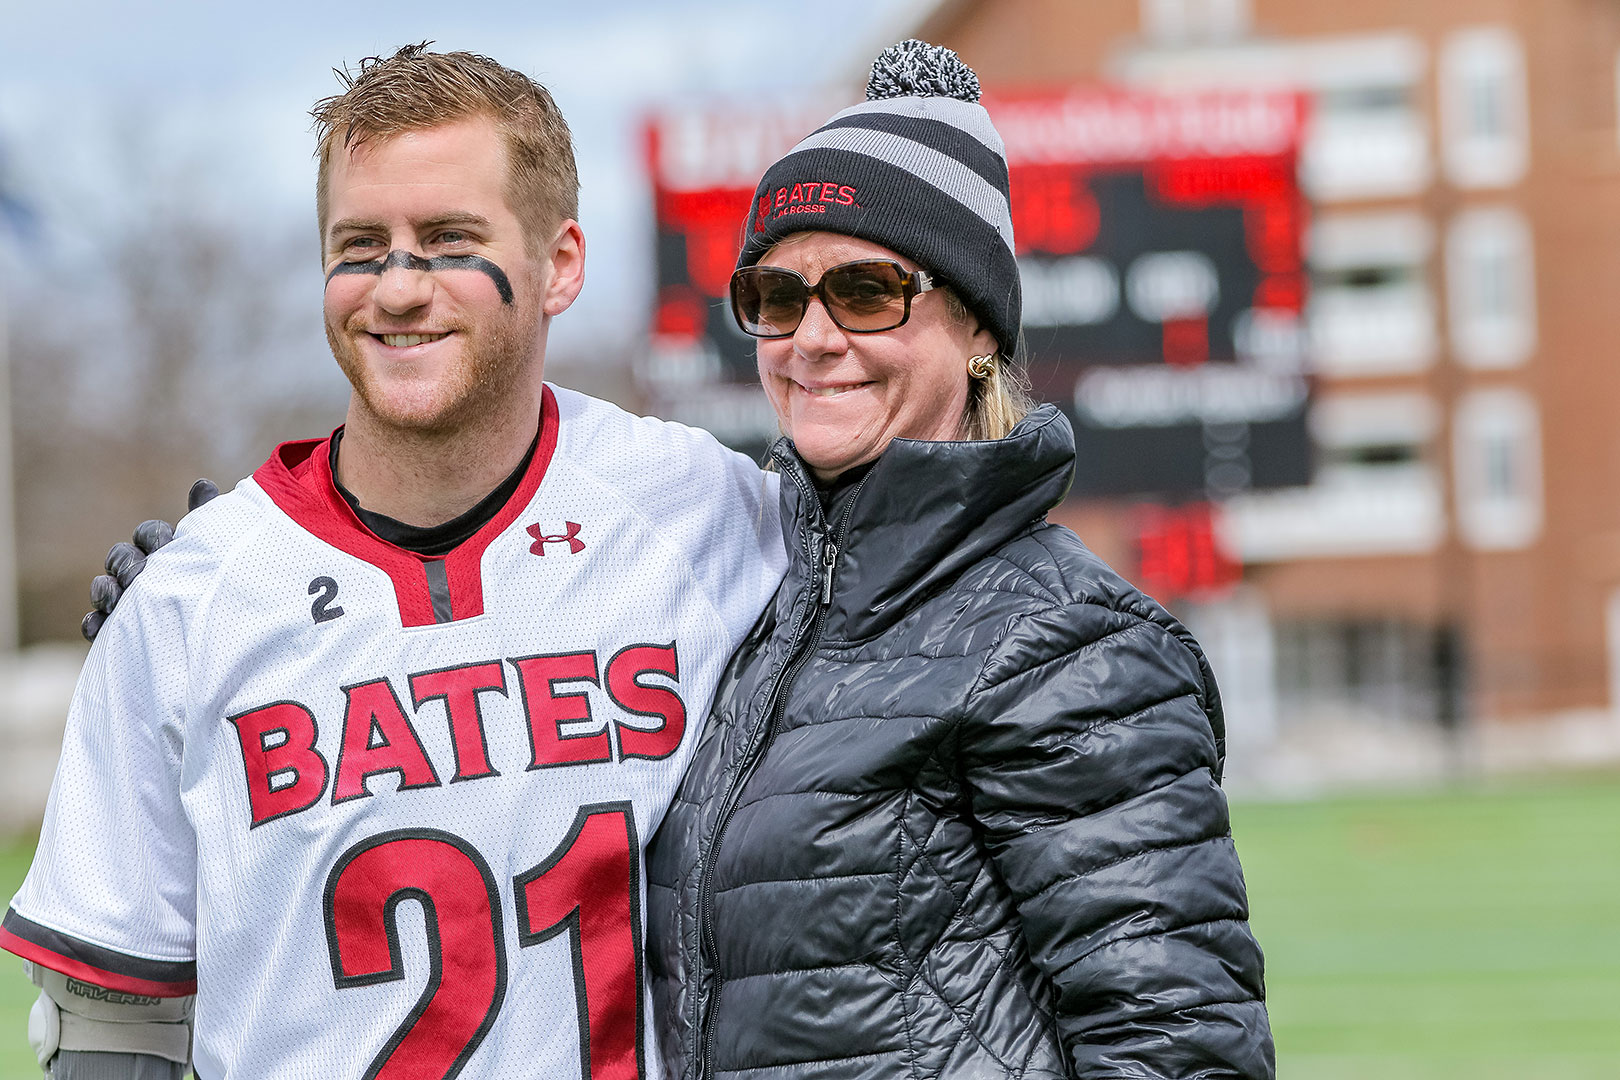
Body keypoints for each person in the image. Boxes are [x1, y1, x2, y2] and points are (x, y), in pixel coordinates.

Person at [4, 45, 784, 1079]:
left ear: (560, 264)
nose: (399, 287)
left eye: (450, 239)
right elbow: (114, 1025)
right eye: (362, 244)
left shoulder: (710, 514)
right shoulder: (192, 598)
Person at [641, 40, 1274, 1079]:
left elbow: (1180, 1051)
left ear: (976, 323)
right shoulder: (749, 608)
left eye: (866, 289)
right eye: (778, 295)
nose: (813, 336)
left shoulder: (1067, 643)